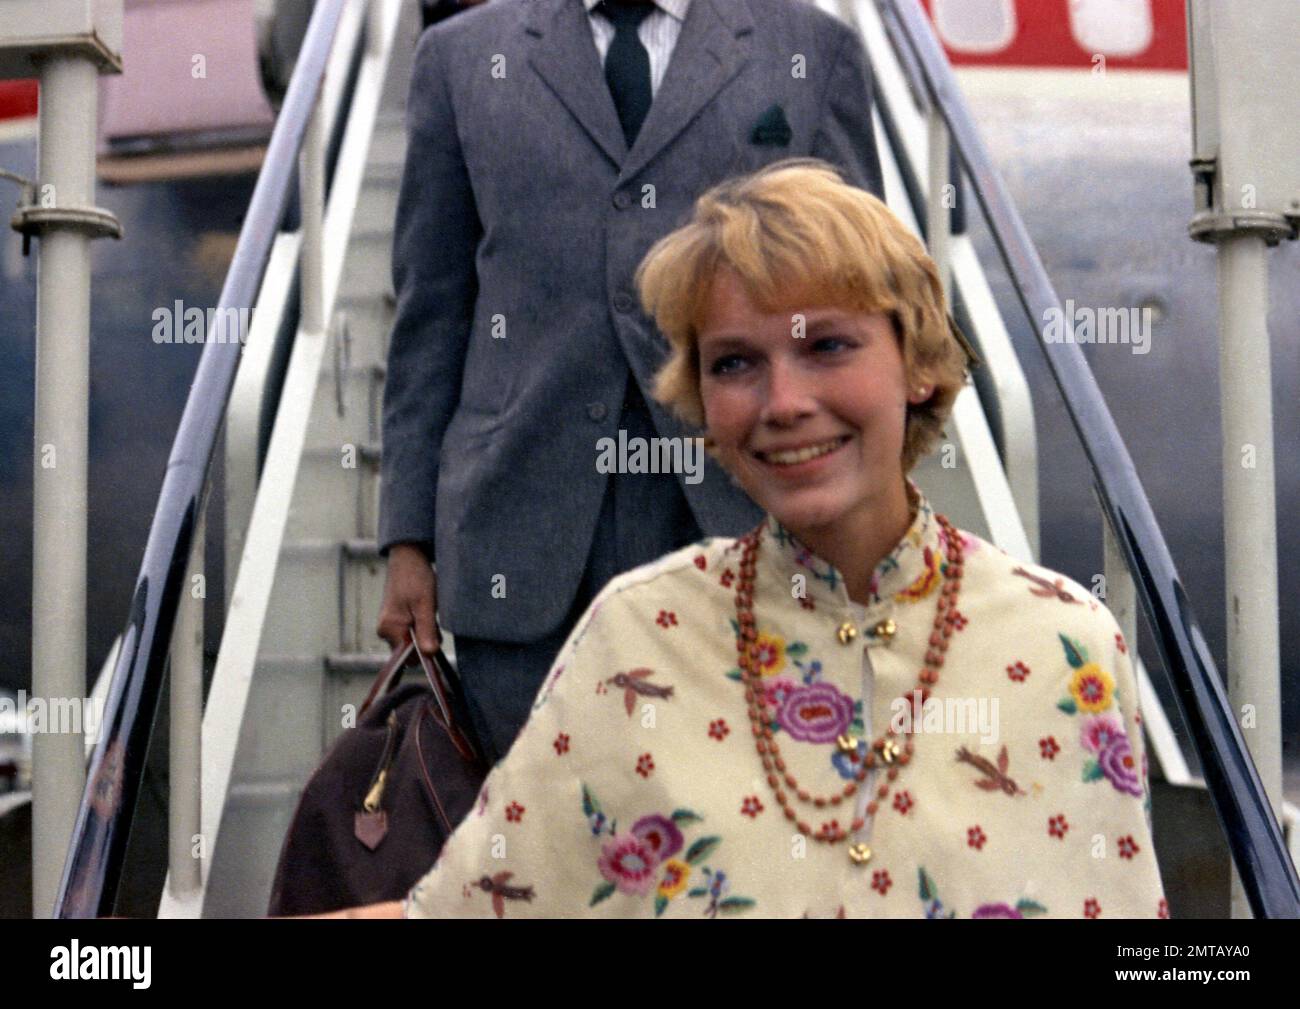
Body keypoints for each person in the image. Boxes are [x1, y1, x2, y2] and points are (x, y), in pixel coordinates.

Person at [328, 159, 1167, 918]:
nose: (783, 401)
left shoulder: (1064, 642)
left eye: (828, 345)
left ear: (917, 362)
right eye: (734, 363)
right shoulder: (640, 637)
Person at [376, 0, 885, 765]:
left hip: (747, 516)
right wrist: (408, 538)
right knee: (534, 864)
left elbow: (862, 309)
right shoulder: (460, 60)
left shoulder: (813, 50)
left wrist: (870, 521)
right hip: (521, 539)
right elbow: (431, 314)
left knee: (746, 841)